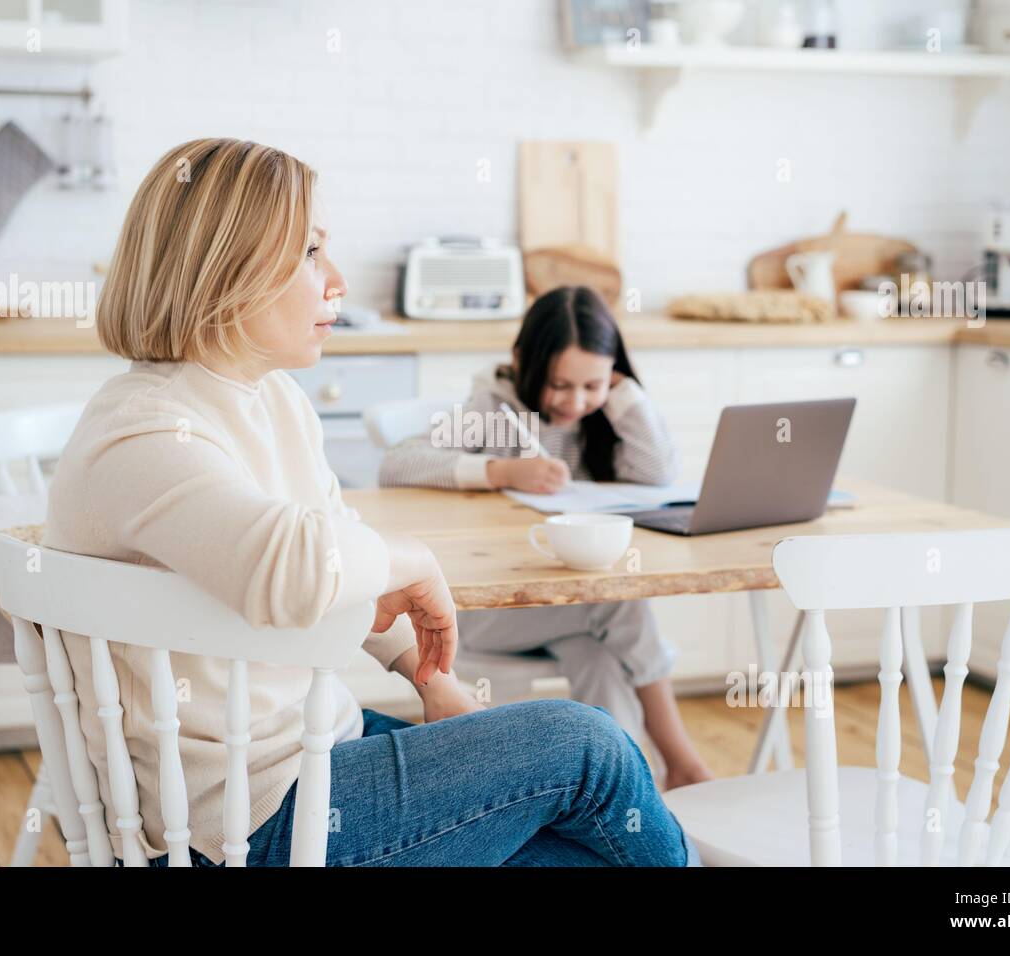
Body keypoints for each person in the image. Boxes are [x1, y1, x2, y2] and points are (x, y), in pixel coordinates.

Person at [43, 138, 698, 866]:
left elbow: (342, 555)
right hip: (241, 825)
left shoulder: (272, 401)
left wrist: (433, 680)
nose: (338, 282)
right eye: (311, 253)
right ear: (222, 271)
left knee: (582, 850)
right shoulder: (142, 429)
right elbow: (295, 568)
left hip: (316, 758)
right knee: (588, 745)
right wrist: (410, 558)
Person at [378, 286, 714, 789]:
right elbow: (397, 463)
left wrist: (623, 395)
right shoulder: (493, 409)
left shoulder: (605, 415)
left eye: (593, 384)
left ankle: (629, 795)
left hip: (566, 613)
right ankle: (680, 758)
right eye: (561, 384)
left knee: (598, 660)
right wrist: (501, 470)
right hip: (490, 613)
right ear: (524, 361)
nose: (575, 402)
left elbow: (659, 473)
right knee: (618, 600)